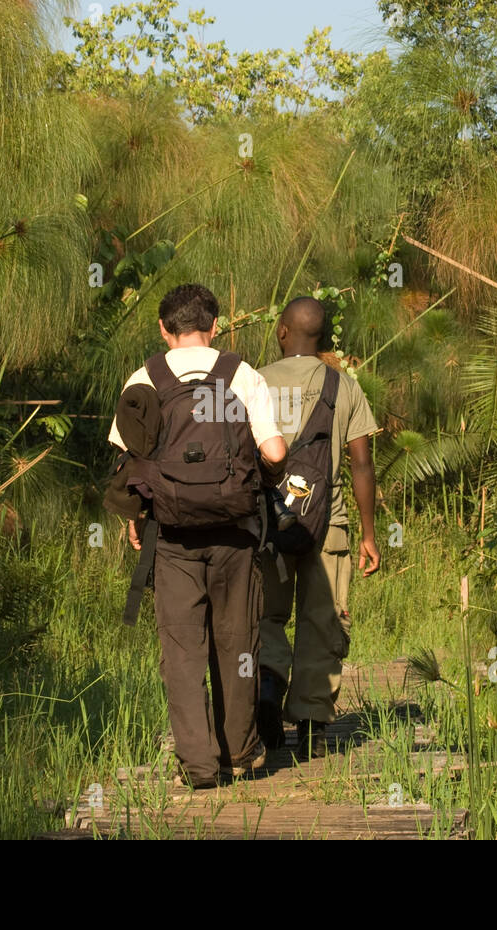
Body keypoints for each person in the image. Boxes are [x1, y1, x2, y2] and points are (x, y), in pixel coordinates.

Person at [107, 283, 287, 789]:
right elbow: (272, 453)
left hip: (172, 537)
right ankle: (242, 753)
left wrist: (134, 520)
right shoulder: (241, 375)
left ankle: (200, 766)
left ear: (164, 329)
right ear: (215, 326)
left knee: (182, 652)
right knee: (238, 645)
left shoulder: (145, 378)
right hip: (235, 534)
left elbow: (128, 461)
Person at [257, 296, 381, 759]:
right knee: (320, 618)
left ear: (283, 332)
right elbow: (362, 464)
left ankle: (268, 686)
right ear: (324, 340)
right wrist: (369, 535)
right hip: (328, 520)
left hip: (269, 521)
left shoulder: (254, 383)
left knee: (265, 613)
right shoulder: (343, 385)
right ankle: (310, 724)